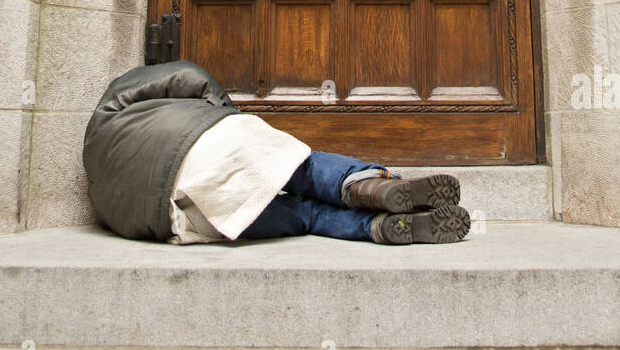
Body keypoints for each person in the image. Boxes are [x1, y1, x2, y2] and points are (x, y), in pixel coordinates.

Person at [83, 57, 470, 247]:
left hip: (183, 214)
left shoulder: (104, 200)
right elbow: (186, 75)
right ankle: (370, 187)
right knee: (303, 170)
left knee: (306, 215)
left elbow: (143, 229)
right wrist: (225, 111)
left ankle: (378, 228)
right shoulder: (111, 107)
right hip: (200, 142)